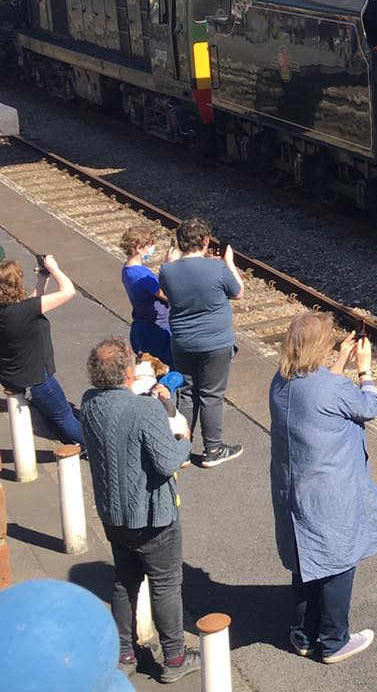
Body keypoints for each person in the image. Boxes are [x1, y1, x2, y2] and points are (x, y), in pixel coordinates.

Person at [270, 313, 377, 664]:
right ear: (319, 348)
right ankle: (333, 642)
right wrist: (364, 370)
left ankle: (303, 635)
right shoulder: (334, 389)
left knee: (304, 558)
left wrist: (341, 358)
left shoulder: (281, 380)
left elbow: (320, 394)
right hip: (330, 491)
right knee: (338, 560)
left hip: (293, 490)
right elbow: (370, 407)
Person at [81, 337, 199, 683]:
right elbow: (167, 462)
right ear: (129, 373)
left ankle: (125, 653)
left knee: (125, 581)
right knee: (165, 584)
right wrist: (185, 441)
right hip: (152, 516)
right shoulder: (143, 409)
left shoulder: (89, 402)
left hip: (113, 515)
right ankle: (174, 658)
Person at [159, 218, 243, 466]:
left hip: (183, 341)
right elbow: (238, 292)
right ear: (206, 241)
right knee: (211, 395)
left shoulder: (167, 270)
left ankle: (181, 449)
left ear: (179, 243)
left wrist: (168, 261)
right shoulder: (217, 268)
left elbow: (168, 293)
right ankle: (213, 449)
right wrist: (229, 262)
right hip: (216, 343)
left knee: (186, 393)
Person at [0, 253, 84, 447]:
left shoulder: (13, 310)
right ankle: (95, 447)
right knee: (64, 417)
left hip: (13, 374)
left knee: (51, 415)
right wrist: (54, 269)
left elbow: (31, 304)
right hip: (36, 377)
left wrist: (42, 280)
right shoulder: (24, 310)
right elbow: (68, 291)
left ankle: (69, 441)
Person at [120, 226, 172, 366]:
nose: (151, 249)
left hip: (141, 325)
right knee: (167, 366)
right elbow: (168, 296)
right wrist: (169, 266)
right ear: (139, 248)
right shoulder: (141, 275)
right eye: (149, 246)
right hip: (157, 327)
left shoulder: (126, 270)